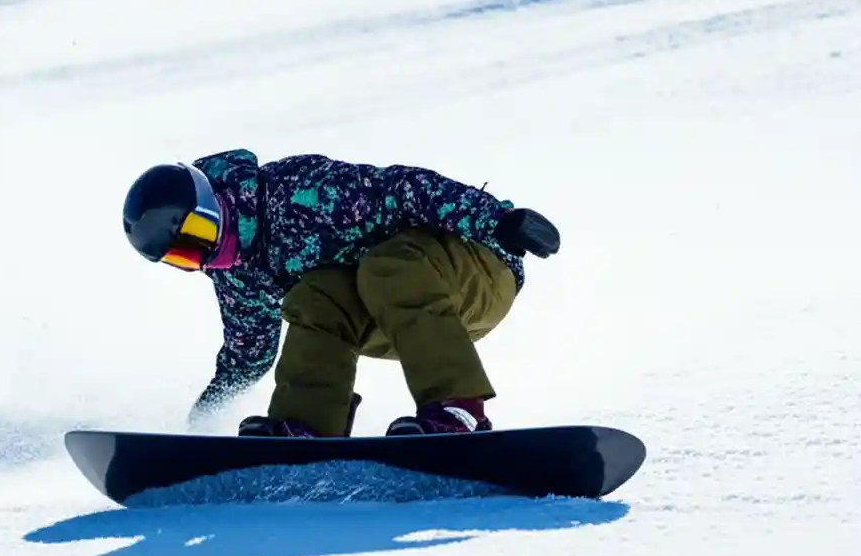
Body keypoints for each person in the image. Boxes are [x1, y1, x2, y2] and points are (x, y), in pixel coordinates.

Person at [121, 149, 559, 438]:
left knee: (385, 264)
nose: (204, 254)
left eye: (198, 233)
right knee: (314, 296)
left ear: (215, 201)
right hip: (404, 311)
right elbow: (249, 353)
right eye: (183, 257)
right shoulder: (237, 275)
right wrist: (204, 416)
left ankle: (460, 410)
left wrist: (498, 220)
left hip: (480, 264)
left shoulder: (296, 192)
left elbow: (401, 189)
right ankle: (308, 426)